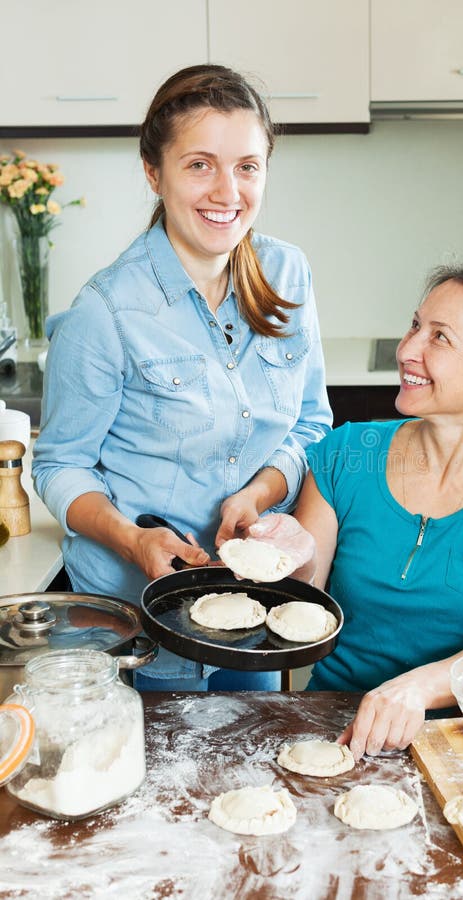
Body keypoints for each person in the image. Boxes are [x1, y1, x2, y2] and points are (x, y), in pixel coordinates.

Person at [32, 64, 332, 691]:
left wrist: (255, 496)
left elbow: (309, 423)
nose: (228, 191)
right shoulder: (105, 311)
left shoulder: (287, 273)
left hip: (251, 611)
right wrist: (129, 541)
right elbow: (61, 466)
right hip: (136, 623)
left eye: (247, 166)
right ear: (154, 172)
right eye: (200, 164)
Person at [248, 259, 463, 758]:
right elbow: (305, 600)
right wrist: (287, 558)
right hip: (332, 722)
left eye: (440, 338)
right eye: (414, 326)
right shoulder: (345, 453)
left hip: (461, 738)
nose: (407, 350)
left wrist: (415, 690)